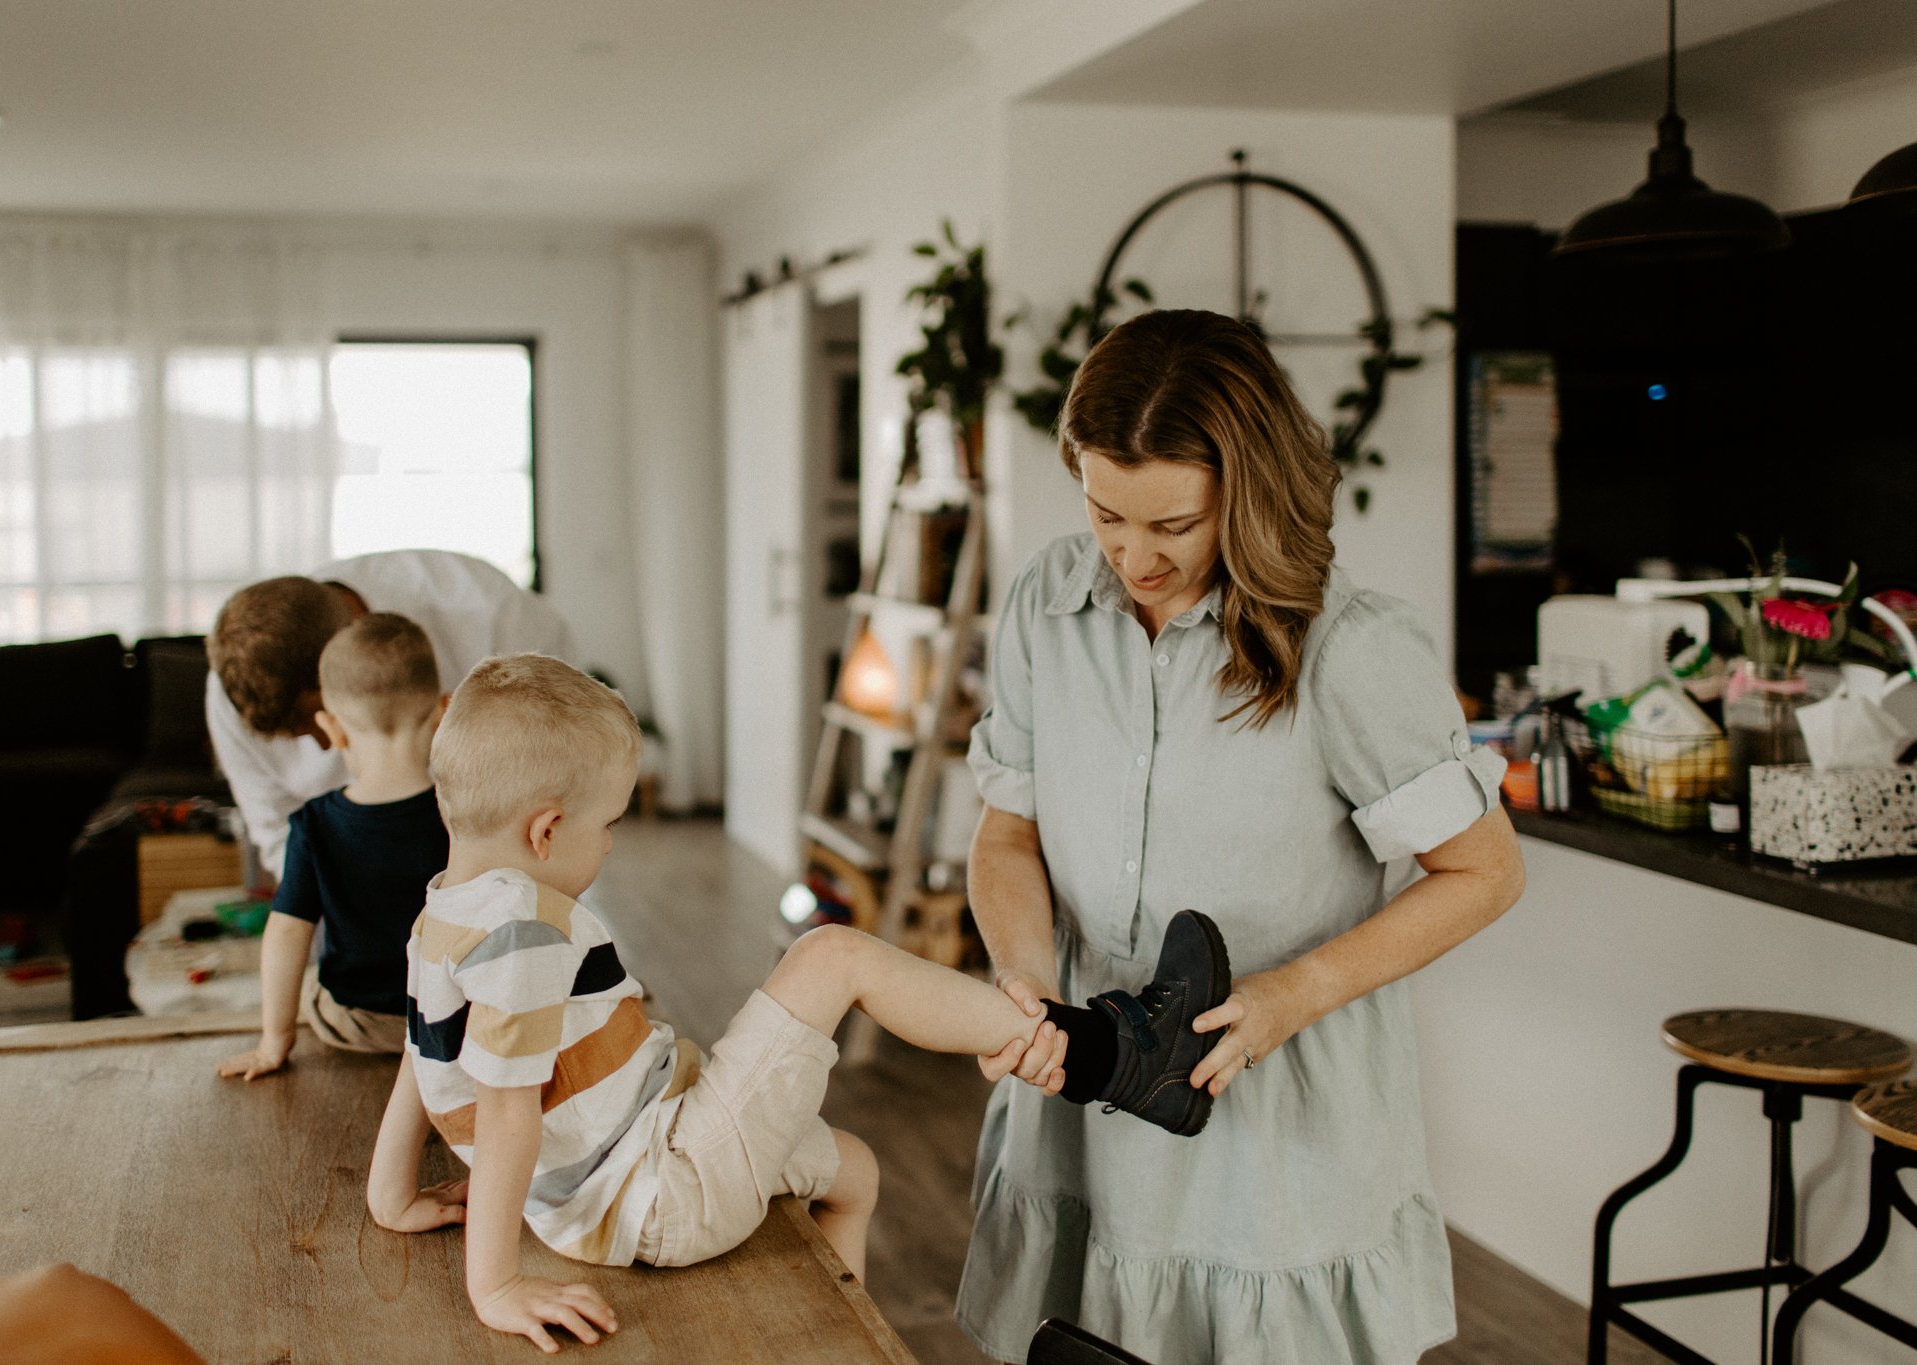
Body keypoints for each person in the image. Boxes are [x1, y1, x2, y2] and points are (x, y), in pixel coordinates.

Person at [364, 654, 1231, 1353]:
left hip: (629, 1175)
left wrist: (391, 1196)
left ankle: (840, 1346)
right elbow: (506, 1109)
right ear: (547, 830)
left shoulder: (444, 915)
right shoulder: (522, 930)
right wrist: (496, 1284)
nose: (612, 844)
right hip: (660, 1183)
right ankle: (1116, 1053)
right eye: (609, 825)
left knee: (854, 1171)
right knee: (832, 956)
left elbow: (421, 1056)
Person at [955, 310, 1527, 1365]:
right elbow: (1008, 834)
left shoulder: (1348, 647)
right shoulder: (1047, 602)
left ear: (1249, 490)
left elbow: (1484, 872)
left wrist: (1289, 995)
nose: (1133, 555)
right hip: (1088, 1089)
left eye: (1173, 524)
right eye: (1105, 513)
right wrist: (1026, 984)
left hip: (1268, 1115)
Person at [205, 549, 572, 881]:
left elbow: (561, 779)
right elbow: (278, 834)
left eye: (322, 717)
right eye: (297, 736)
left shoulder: (490, 614)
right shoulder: (232, 692)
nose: (327, 746)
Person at [216, 613, 451, 1079]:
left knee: (311, 986)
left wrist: (274, 1040)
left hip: (361, 1024)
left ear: (332, 729)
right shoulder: (465, 813)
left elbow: (287, 933)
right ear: (443, 712)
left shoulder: (314, 825)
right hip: (453, 1023)